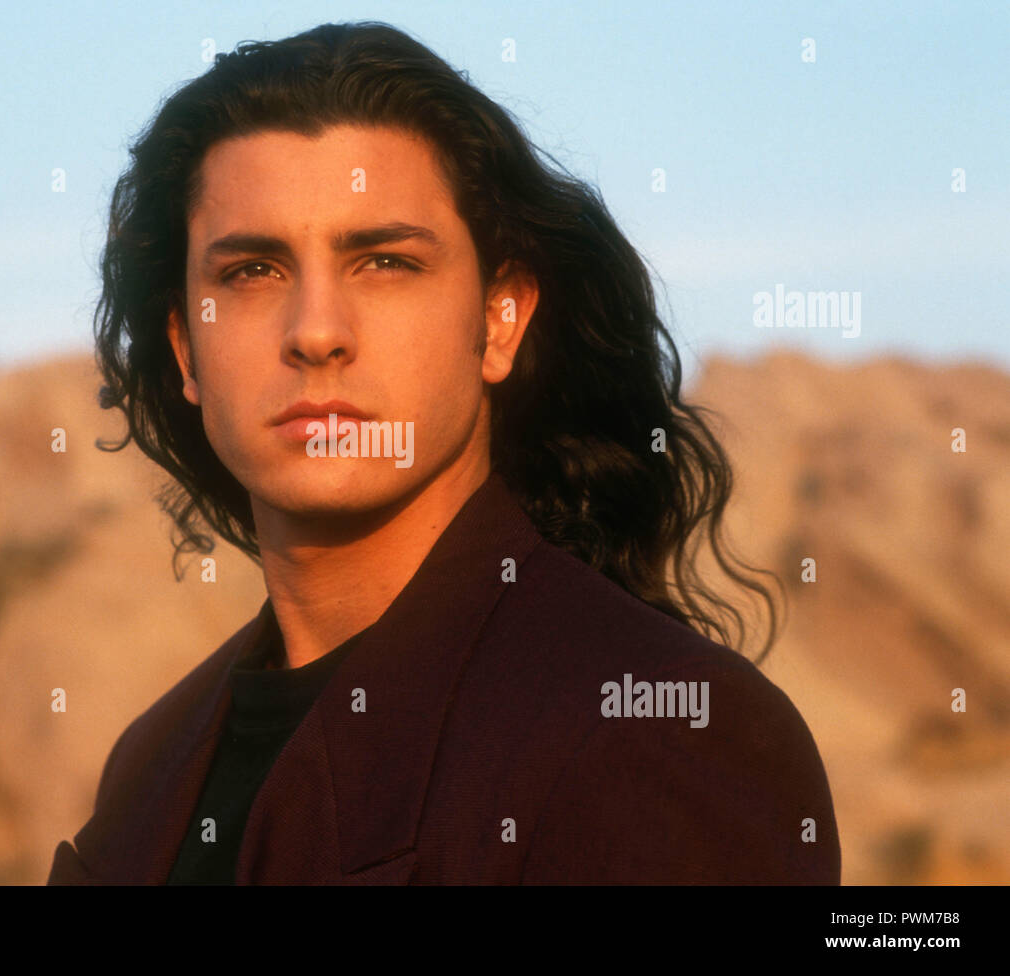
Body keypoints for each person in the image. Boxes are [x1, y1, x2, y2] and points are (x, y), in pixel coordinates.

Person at [47, 20, 839, 884]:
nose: (316, 332)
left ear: (500, 319)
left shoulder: (659, 731)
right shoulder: (149, 768)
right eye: (252, 272)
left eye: (383, 261)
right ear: (185, 349)